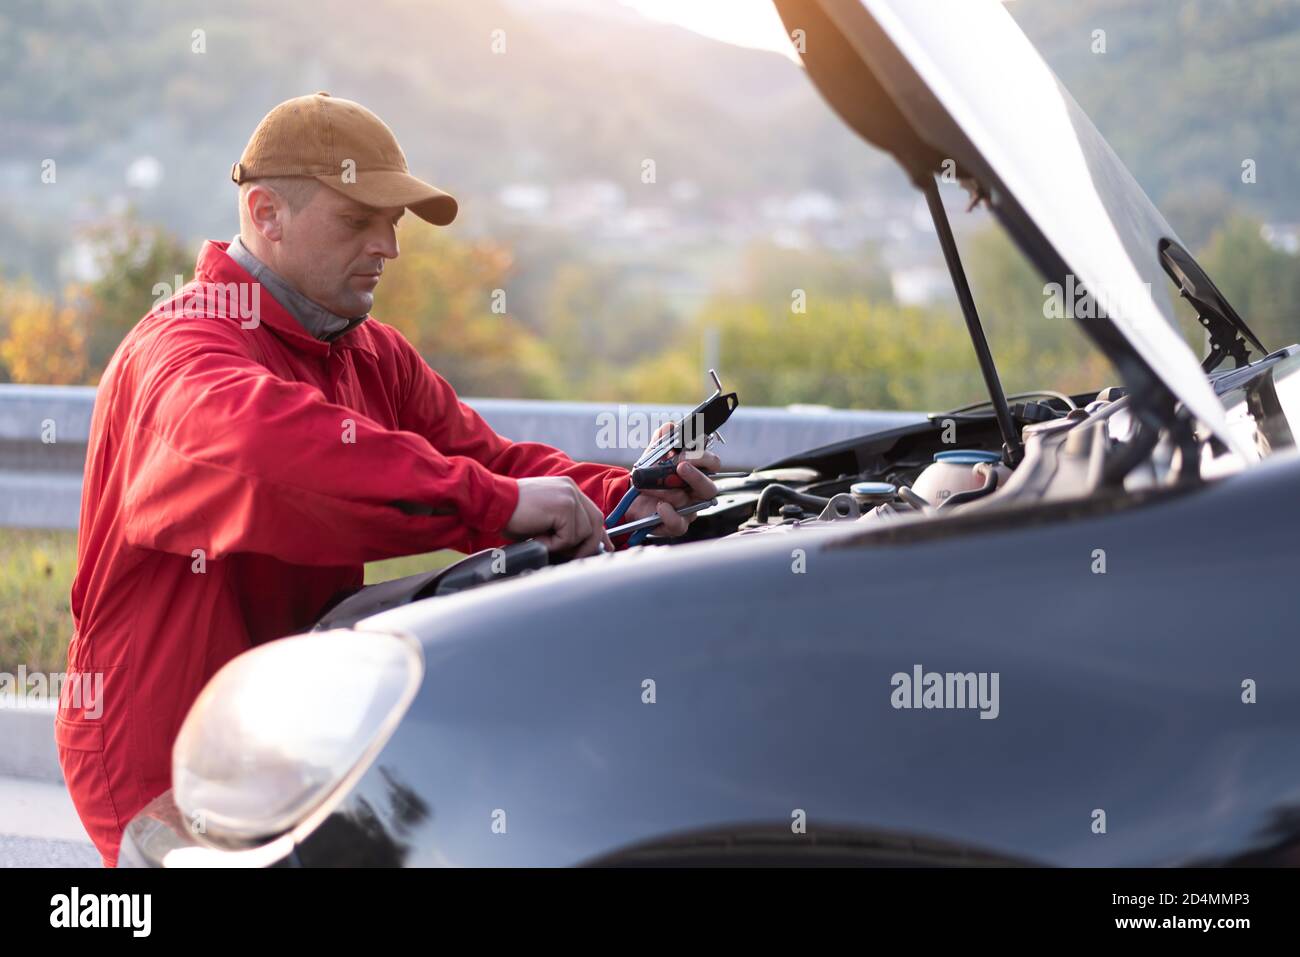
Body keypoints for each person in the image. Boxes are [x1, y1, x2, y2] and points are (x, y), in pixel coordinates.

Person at [58, 92, 719, 866]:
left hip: (282, 728)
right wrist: (498, 505)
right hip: (162, 748)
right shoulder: (180, 349)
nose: (388, 249)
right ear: (265, 213)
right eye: (357, 221)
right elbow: (268, 453)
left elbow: (488, 460)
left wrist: (621, 494)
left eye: (394, 224)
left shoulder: (369, 351)